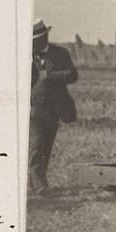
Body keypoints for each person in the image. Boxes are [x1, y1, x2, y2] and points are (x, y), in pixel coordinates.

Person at [28, 19, 78, 194]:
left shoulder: (61, 54)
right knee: (36, 146)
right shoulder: (27, 55)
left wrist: (51, 76)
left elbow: (72, 74)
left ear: (44, 38)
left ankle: (39, 182)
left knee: (47, 146)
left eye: (36, 39)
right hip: (34, 109)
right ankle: (38, 185)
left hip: (55, 109)